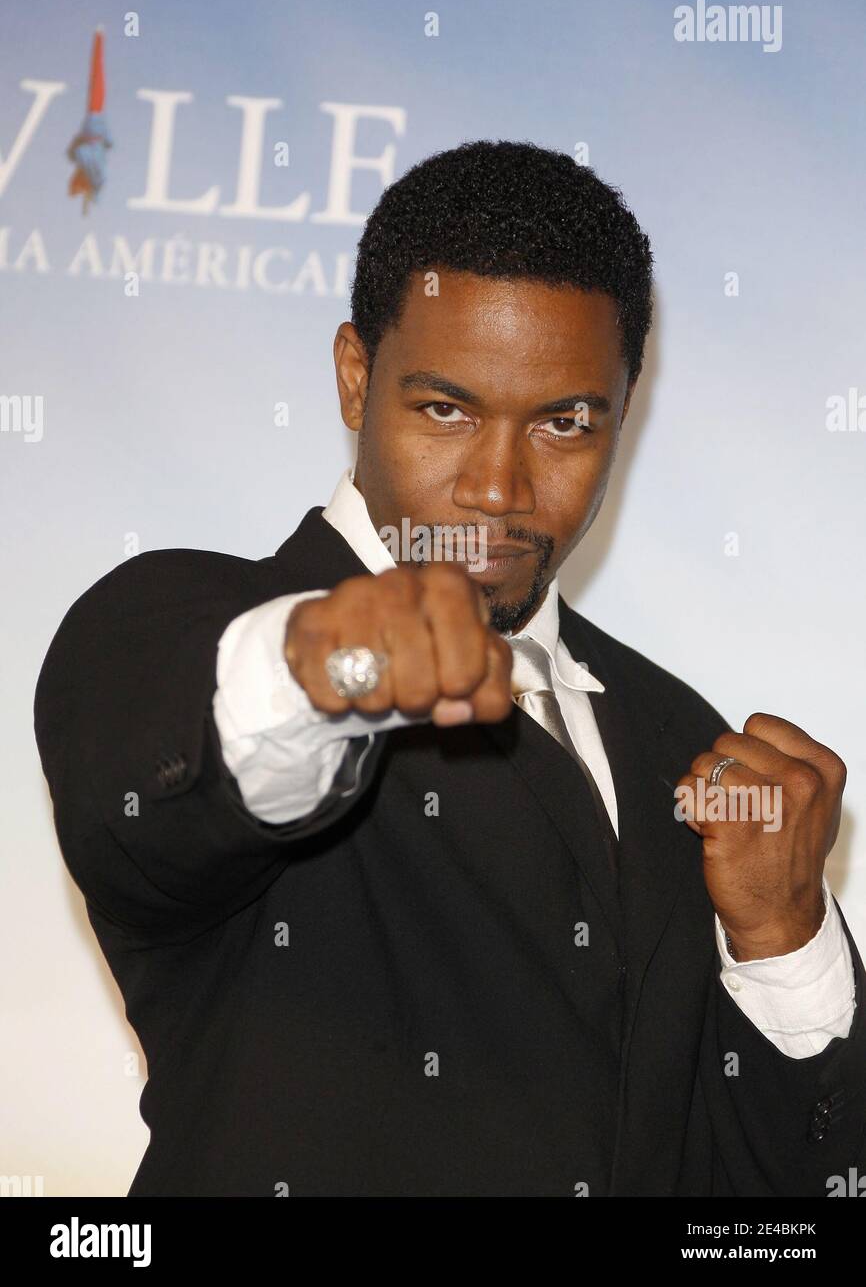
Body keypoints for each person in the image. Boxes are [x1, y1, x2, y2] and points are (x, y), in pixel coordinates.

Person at [34, 140, 863, 1197]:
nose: (497, 488)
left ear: (622, 410)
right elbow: (151, 774)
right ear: (352, 375)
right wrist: (322, 662)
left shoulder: (672, 732)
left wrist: (783, 947)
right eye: (445, 409)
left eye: (563, 422)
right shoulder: (188, 625)